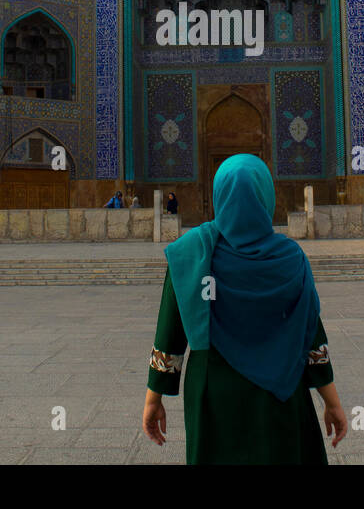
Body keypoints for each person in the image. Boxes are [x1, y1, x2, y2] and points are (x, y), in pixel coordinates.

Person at [142, 153, 346, 464]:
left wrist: (153, 398)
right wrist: (331, 401)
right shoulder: (289, 259)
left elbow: (170, 336)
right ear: (266, 195)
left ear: (218, 195)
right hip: (280, 393)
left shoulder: (192, 253)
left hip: (213, 393)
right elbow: (310, 336)